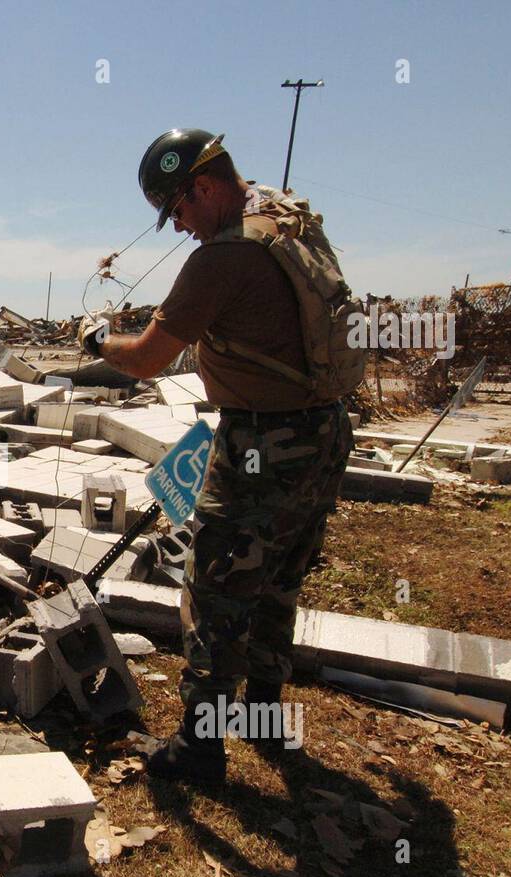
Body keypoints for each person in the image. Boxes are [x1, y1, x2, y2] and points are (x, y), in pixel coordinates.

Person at [84, 129, 354, 783]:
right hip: (325, 434)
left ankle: (200, 749)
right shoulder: (285, 218)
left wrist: (99, 342)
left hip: (263, 441)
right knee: (280, 579)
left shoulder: (221, 257)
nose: (178, 227)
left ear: (203, 188)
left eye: (177, 211)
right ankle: (262, 712)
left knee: (215, 591)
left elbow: (148, 358)